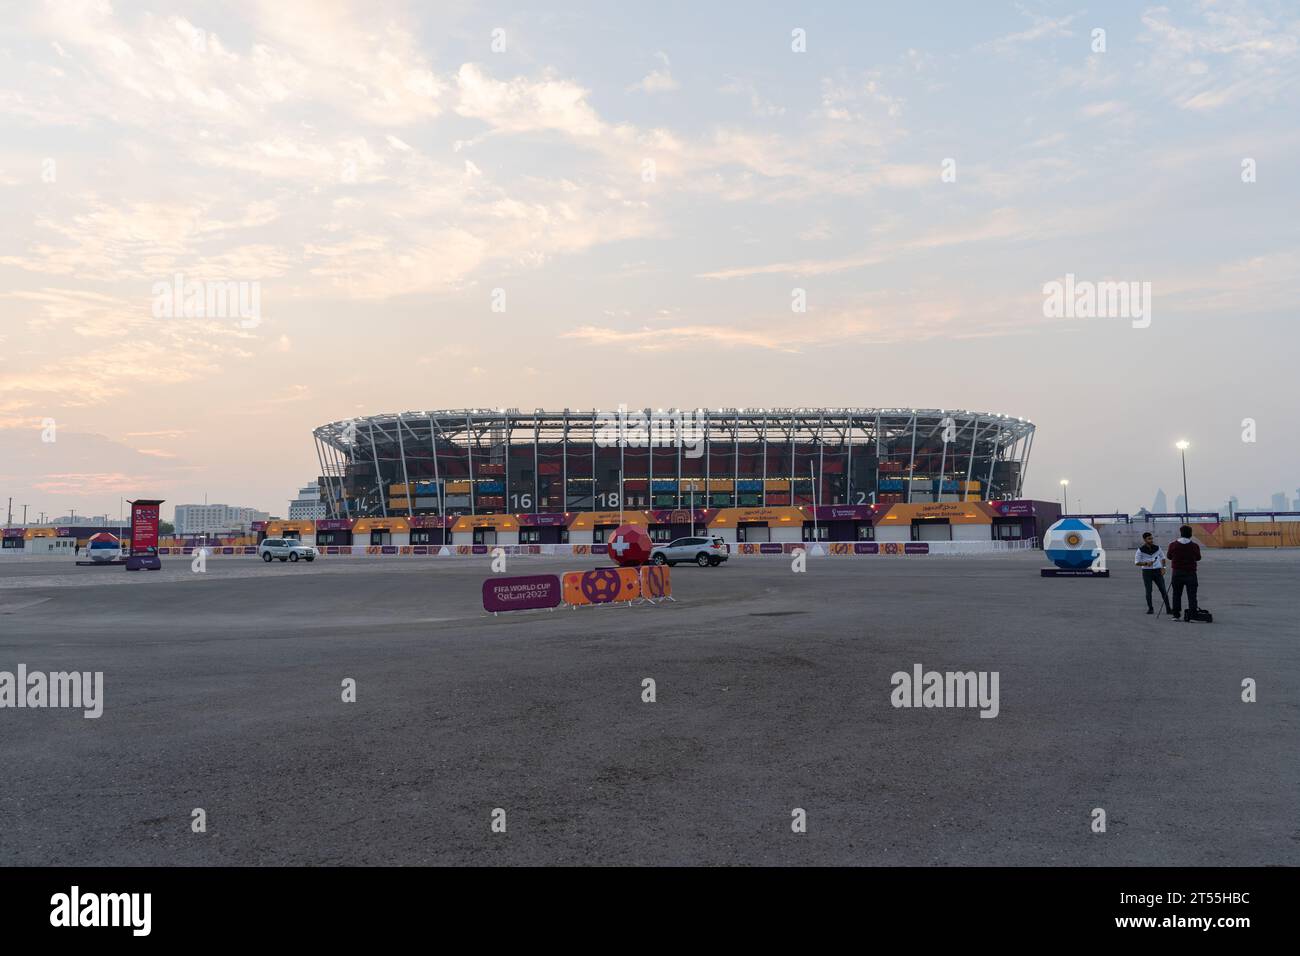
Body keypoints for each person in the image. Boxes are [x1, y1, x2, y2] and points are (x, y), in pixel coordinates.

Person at [1166, 524, 1202, 620]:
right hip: (1190, 573)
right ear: (1190, 534)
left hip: (1177, 573)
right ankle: (1193, 615)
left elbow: (1169, 556)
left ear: (1181, 533)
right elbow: (1198, 558)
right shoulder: (1194, 546)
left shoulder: (1173, 545)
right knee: (1192, 595)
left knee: (1176, 594)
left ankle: (1176, 615)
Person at [1134, 532, 1170, 615]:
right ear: (1144, 540)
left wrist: (1163, 568)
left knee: (1163, 590)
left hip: (1157, 571)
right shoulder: (1140, 550)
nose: (1151, 540)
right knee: (1149, 591)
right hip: (1147, 572)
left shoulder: (1157, 548)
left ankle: (1168, 608)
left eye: (1151, 538)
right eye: (1149, 539)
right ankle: (1150, 608)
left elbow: (1163, 558)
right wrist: (1146, 563)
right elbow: (1136, 562)